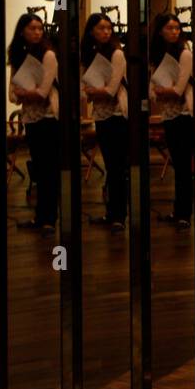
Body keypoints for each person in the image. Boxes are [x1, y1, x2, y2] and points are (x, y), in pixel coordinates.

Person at [9, 13, 60, 237]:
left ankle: (49, 218)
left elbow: (43, 91)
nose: (37, 32)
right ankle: (40, 216)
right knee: (38, 168)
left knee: (49, 168)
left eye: (40, 28)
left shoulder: (48, 54)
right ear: (22, 31)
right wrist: (23, 94)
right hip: (30, 117)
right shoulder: (19, 54)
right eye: (32, 28)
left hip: (48, 116)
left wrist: (27, 93)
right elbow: (13, 93)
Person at [81, 13, 127, 233]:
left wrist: (96, 91)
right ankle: (112, 212)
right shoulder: (89, 54)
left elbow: (111, 89)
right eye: (101, 28)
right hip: (100, 114)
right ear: (91, 31)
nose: (106, 32)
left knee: (118, 166)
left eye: (109, 28)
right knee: (110, 164)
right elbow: (84, 87)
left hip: (117, 114)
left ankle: (119, 215)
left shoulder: (117, 53)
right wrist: (91, 91)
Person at [151, 12, 194, 231]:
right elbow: (153, 91)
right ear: (160, 31)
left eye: (177, 28)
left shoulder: (184, 53)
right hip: (168, 114)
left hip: (185, 114)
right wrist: (160, 91)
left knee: (185, 166)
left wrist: (164, 91)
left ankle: (185, 213)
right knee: (177, 164)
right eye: (169, 28)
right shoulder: (157, 54)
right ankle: (178, 210)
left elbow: (178, 89)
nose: (174, 32)